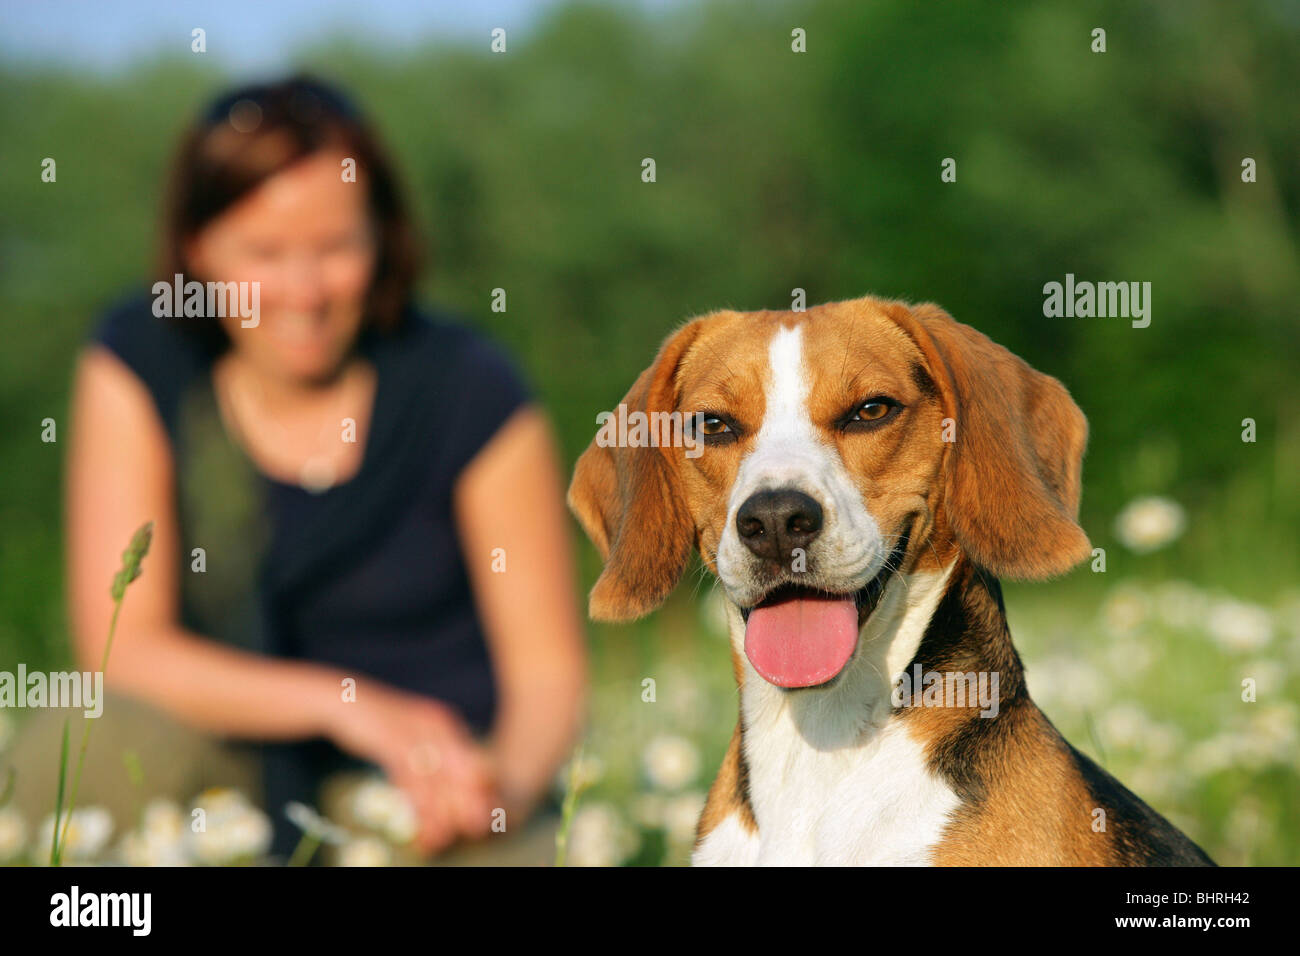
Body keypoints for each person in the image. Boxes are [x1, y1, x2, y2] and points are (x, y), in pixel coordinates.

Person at [15, 75, 587, 863]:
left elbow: (548, 677)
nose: (303, 291)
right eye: (264, 252)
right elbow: (123, 649)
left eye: (335, 246)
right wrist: (344, 705)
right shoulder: (140, 357)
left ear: (383, 237)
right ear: (195, 249)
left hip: (423, 788)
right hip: (225, 772)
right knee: (77, 733)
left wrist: (497, 789)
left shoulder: (474, 387)